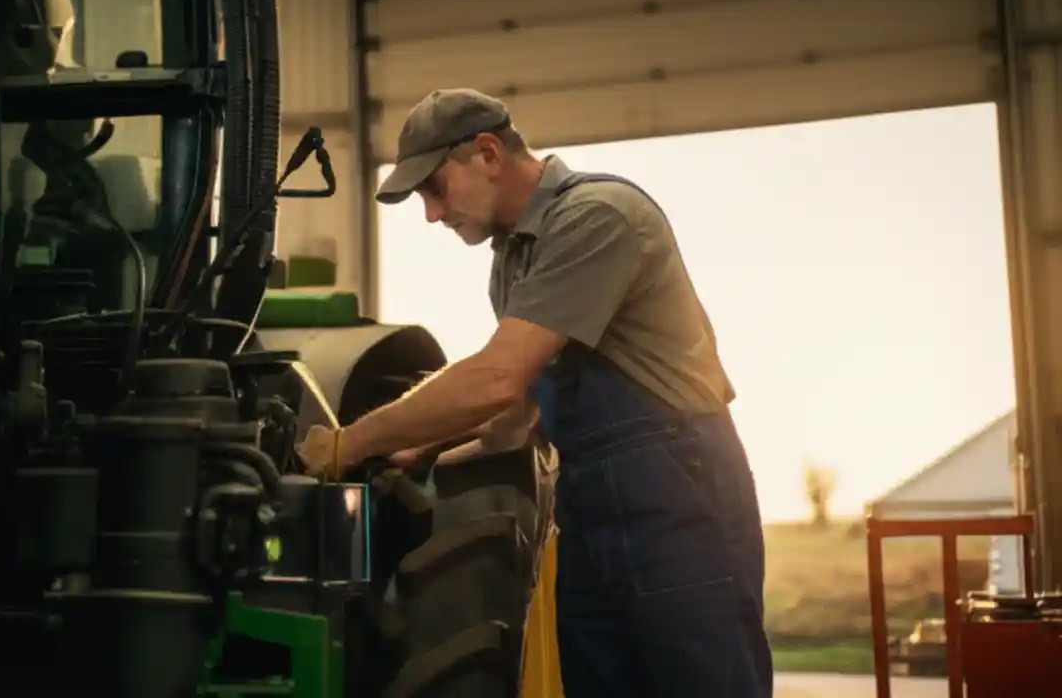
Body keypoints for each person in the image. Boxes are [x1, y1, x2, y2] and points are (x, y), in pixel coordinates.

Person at [295, 88, 773, 697]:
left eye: (435, 189)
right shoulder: (513, 259)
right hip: (591, 503)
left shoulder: (597, 216)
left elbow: (498, 376)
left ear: (488, 152)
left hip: (678, 496)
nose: (433, 215)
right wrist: (413, 445)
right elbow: (518, 408)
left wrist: (347, 442)